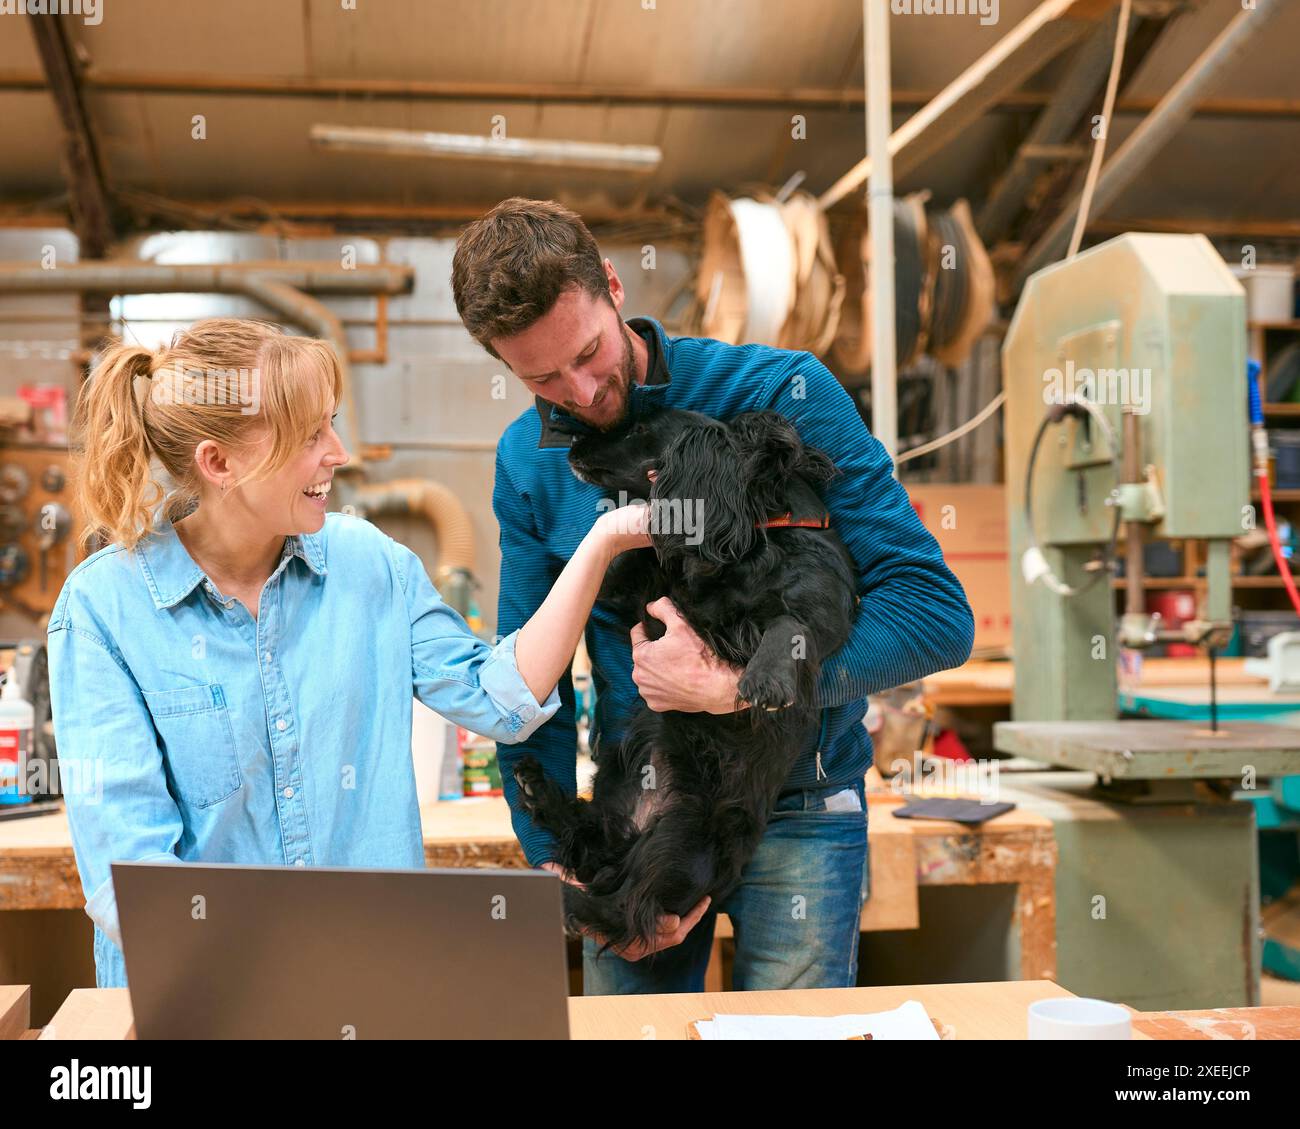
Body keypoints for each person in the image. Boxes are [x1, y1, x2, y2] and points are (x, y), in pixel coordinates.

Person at [452, 198, 975, 993]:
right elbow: (530, 681)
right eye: (542, 377)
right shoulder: (528, 461)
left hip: (802, 805)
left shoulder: (786, 391)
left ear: (615, 287)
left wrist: (742, 690)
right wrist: (553, 856)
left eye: (590, 353)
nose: (584, 391)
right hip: (644, 808)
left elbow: (933, 614)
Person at [48, 317, 648, 987]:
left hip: (365, 990)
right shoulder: (105, 609)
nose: (337, 451)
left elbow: (502, 698)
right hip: (201, 996)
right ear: (219, 463)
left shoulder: (372, 565)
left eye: (332, 423)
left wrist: (604, 540)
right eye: (310, 436)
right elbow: (133, 884)